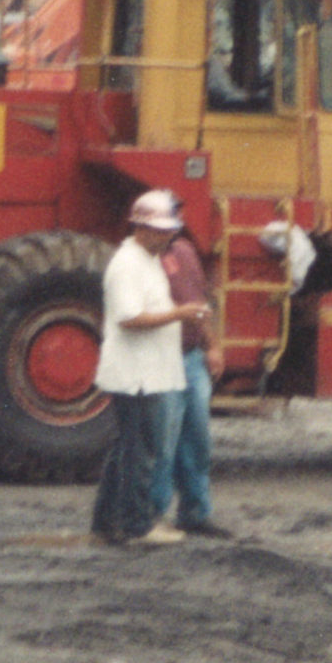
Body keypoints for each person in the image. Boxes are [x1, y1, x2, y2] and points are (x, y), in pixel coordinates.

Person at [92, 190, 209, 546]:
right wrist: (180, 313)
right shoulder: (128, 264)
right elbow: (129, 318)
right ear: (139, 227)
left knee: (128, 450)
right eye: (159, 230)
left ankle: (108, 523)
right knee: (140, 453)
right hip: (136, 375)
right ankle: (137, 525)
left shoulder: (145, 259)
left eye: (169, 230)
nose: (167, 236)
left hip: (144, 372)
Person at [150, 210, 230, 540]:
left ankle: (195, 513)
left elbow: (199, 303)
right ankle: (152, 516)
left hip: (191, 356)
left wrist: (212, 347)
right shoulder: (138, 263)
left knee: (196, 440)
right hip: (162, 358)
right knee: (163, 442)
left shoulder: (183, 253)